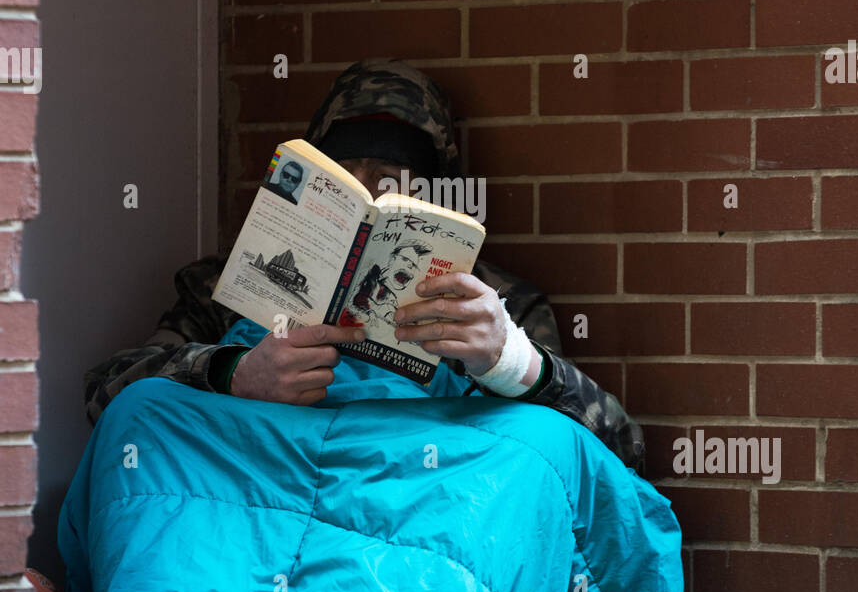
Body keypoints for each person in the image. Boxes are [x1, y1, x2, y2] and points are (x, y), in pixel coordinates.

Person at [84, 59, 645, 476]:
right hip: (252, 479)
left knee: (537, 440)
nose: (369, 189)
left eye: (390, 173)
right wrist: (234, 373)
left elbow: (613, 449)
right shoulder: (221, 284)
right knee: (143, 409)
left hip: (411, 493)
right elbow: (107, 390)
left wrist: (507, 360)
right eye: (344, 171)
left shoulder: (496, 301)